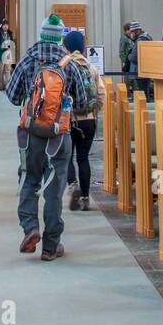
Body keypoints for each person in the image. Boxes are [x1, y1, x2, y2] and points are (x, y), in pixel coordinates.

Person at [6, 14, 90, 260]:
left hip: (31, 134)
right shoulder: (69, 64)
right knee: (54, 188)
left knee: (29, 180)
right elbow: (83, 102)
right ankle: (52, 246)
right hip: (58, 136)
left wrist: (31, 100)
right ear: (60, 37)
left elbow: (11, 96)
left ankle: (31, 228)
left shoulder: (27, 60)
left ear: (42, 34)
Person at [65, 31, 105, 211]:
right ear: (82, 47)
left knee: (66, 157)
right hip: (88, 120)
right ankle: (86, 197)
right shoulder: (91, 67)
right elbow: (101, 94)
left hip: (69, 119)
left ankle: (72, 184)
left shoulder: (64, 66)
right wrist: (93, 112)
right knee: (83, 158)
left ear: (66, 47)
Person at [126, 21, 154, 99]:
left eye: (132, 31)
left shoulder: (140, 40)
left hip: (139, 72)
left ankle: (143, 110)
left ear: (137, 31)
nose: (130, 33)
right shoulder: (147, 37)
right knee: (145, 93)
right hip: (145, 70)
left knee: (142, 96)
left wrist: (128, 56)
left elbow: (134, 58)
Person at [0, 20, 16, 90]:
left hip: (8, 54)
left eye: (7, 25)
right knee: (0, 71)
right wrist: (4, 47)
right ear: (2, 26)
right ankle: (0, 86)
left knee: (8, 70)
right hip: (0, 54)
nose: (6, 26)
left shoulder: (10, 33)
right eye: (4, 25)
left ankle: (8, 86)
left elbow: (12, 42)